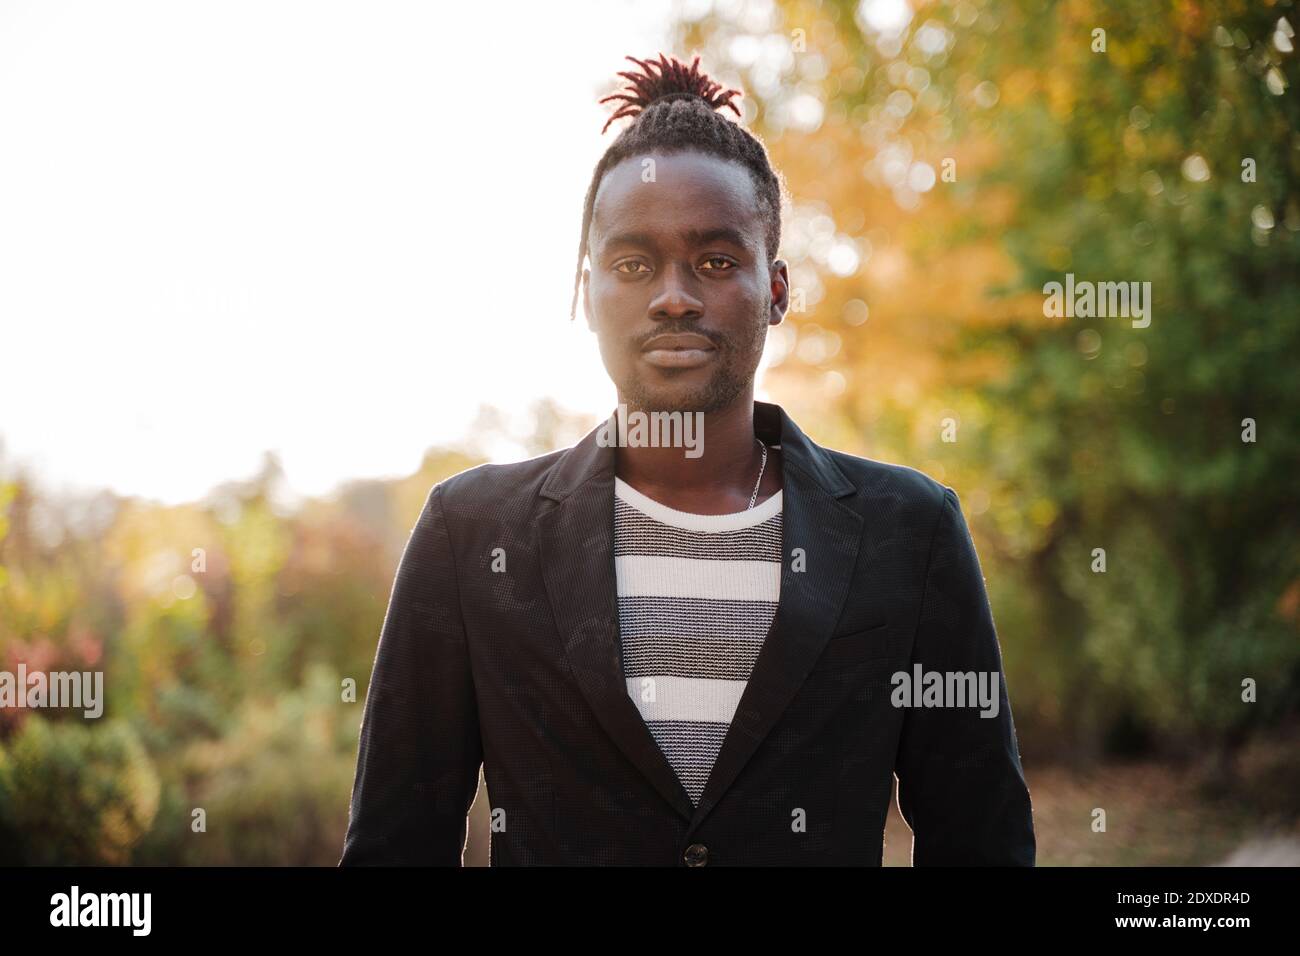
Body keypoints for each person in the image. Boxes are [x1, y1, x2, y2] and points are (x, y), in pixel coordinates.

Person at [340, 53, 1035, 866]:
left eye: (714, 261)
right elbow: (395, 845)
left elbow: (981, 839)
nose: (674, 295)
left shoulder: (908, 533)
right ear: (586, 290)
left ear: (776, 289)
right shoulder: (472, 534)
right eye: (635, 265)